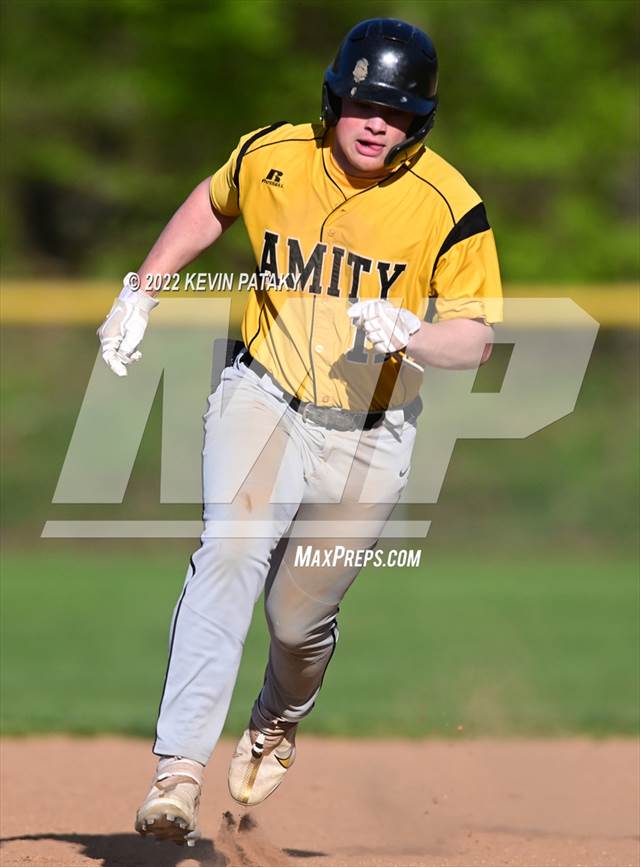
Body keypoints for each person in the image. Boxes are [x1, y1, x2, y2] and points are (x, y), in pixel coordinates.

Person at [97, 17, 502, 847]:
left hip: (371, 432)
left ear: (420, 120)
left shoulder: (449, 205)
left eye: (396, 108)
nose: (375, 120)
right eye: (361, 100)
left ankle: (280, 712)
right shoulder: (274, 155)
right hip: (265, 396)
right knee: (232, 547)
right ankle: (177, 769)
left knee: (295, 620)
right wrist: (145, 284)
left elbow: (475, 336)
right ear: (334, 98)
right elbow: (212, 204)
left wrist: (414, 333)